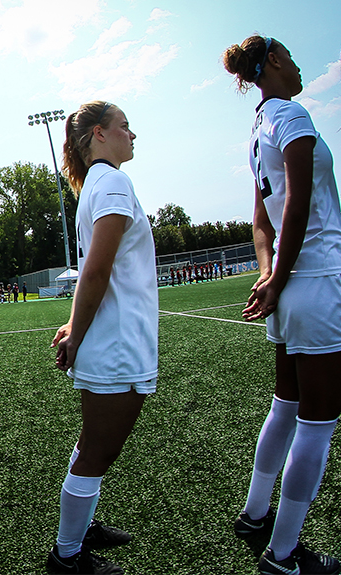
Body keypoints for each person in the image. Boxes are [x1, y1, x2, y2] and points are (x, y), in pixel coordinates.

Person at [224, 36, 341, 575]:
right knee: (318, 422)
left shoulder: (258, 126)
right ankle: (285, 553)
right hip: (316, 281)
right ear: (272, 61)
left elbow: (260, 221)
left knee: (286, 406)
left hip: (291, 286)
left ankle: (254, 516)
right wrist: (281, 275)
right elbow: (294, 203)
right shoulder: (291, 114)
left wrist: (269, 274)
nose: (296, 66)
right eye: (290, 57)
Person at [47, 100, 155, 574]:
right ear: (99, 134)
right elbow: (95, 272)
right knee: (99, 451)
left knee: (93, 444)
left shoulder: (97, 182)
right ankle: (67, 555)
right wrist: (78, 332)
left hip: (112, 337)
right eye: (124, 126)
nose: (132, 134)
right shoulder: (112, 182)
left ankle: (81, 527)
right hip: (117, 341)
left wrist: (75, 325)